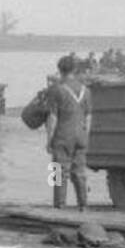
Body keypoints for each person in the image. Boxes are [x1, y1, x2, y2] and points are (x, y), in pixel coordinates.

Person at [43, 55, 93, 210]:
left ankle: (59, 205)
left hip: (63, 135)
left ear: (60, 70)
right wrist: (85, 136)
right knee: (79, 171)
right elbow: (89, 117)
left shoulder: (56, 90)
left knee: (58, 172)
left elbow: (53, 117)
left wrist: (49, 139)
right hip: (81, 135)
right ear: (75, 69)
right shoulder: (86, 90)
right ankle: (83, 205)